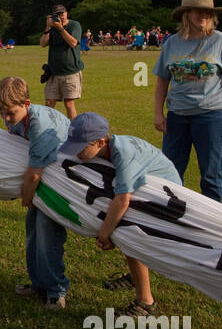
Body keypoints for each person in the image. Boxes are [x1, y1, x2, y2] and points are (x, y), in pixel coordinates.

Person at [58, 112, 183, 317]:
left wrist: (104, 234)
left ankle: (146, 303)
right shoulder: (108, 148)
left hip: (166, 198)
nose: (76, 153)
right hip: (146, 191)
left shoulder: (124, 154)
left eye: (80, 148)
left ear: (99, 142)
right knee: (123, 229)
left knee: (127, 231)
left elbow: (122, 199)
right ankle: (136, 277)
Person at [152, 0, 222, 202]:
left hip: (211, 116)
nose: (204, 16)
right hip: (177, 117)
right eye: (199, 11)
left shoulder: (220, 41)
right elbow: (163, 79)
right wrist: (158, 112)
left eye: (208, 12)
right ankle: (172, 214)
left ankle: (212, 222)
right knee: (170, 171)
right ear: (186, 14)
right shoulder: (172, 43)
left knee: (210, 174)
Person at [0, 77, 72, 308]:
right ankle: (38, 283)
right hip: (44, 175)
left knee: (47, 233)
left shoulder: (40, 124)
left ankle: (56, 291)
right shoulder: (19, 119)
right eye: (2, 113)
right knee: (33, 232)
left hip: (61, 179)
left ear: (27, 104)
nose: (7, 120)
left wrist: (27, 197)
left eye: (11, 113)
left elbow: (34, 174)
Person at [39, 3, 84, 119]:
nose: (60, 16)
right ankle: (47, 129)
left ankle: (73, 132)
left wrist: (61, 29)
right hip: (53, 72)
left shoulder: (74, 25)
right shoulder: (52, 28)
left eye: (62, 13)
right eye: (57, 14)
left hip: (70, 72)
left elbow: (73, 43)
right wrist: (48, 28)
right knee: (49, 103)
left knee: (69, 104)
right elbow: (43, 43)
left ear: (67, 13)